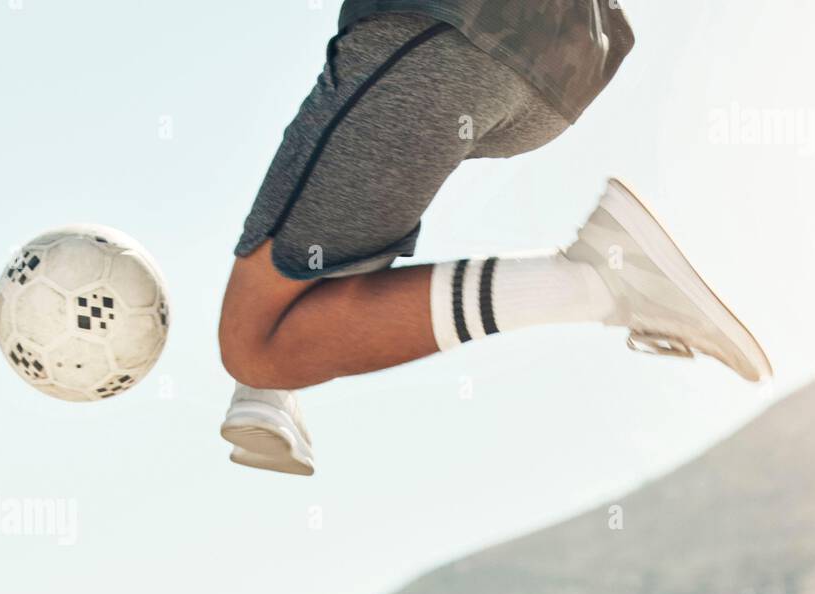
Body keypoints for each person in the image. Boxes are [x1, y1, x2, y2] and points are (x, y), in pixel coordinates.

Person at [217, 2, 771, 477]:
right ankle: (275, 384)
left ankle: (593, 285)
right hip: (554, 68)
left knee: (255, 344)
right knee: (331, 228)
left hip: (451, 33)